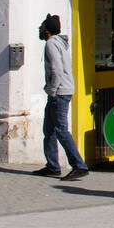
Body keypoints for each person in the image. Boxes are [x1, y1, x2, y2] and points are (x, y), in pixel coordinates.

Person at [33, 14, 89, 180]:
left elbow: (56, 70)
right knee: (49, 129)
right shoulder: (60, 43)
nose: (40, 30)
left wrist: (52, 89)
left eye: (42, 27)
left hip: (59, 93)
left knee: (60, 130)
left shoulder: (51, 44)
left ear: (48, 30)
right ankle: (52, 165)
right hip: (62, 91)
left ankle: (79, 165)